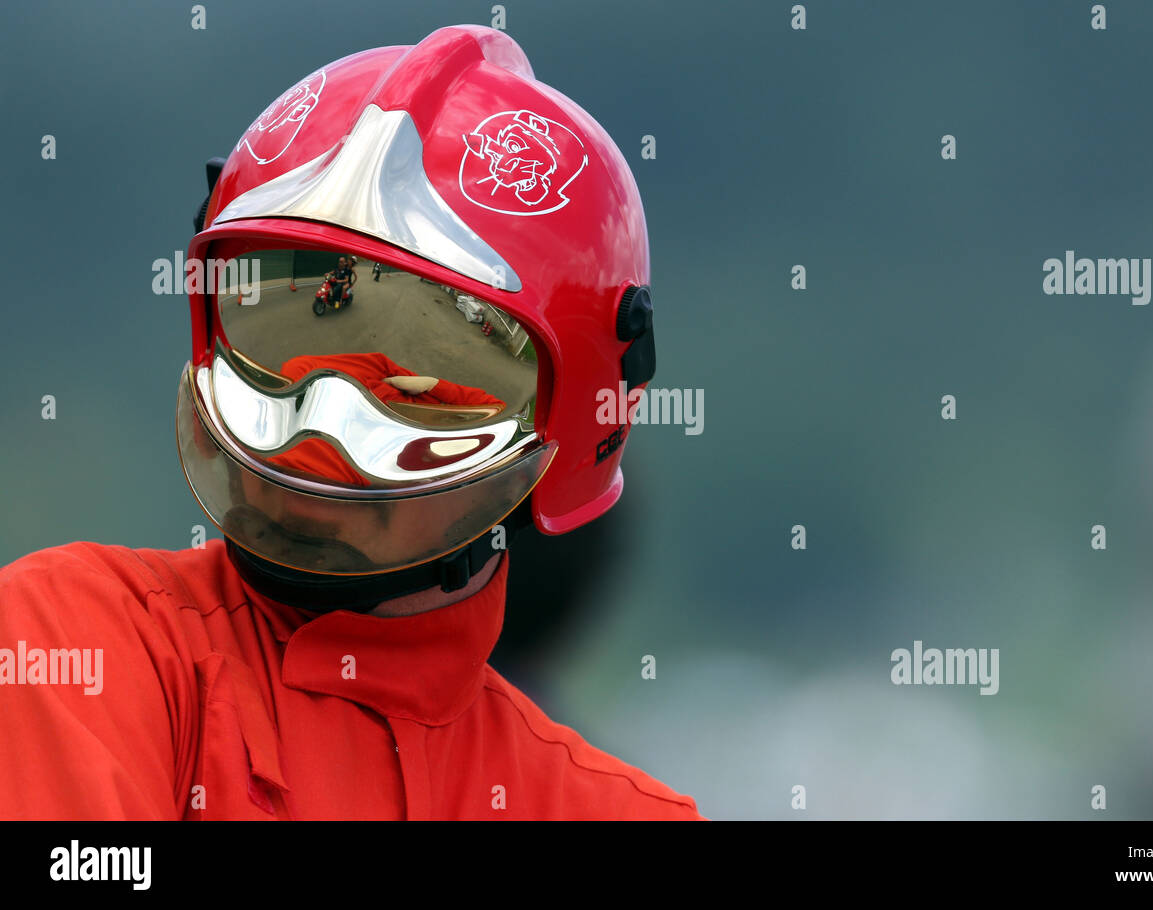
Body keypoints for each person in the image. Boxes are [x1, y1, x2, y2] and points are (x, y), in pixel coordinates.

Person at [0, 25, 686, 820]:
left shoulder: (612, 810)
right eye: (277, 292)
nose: (320, 421)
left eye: (419, 373)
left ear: (574, 408)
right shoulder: (69, 639)